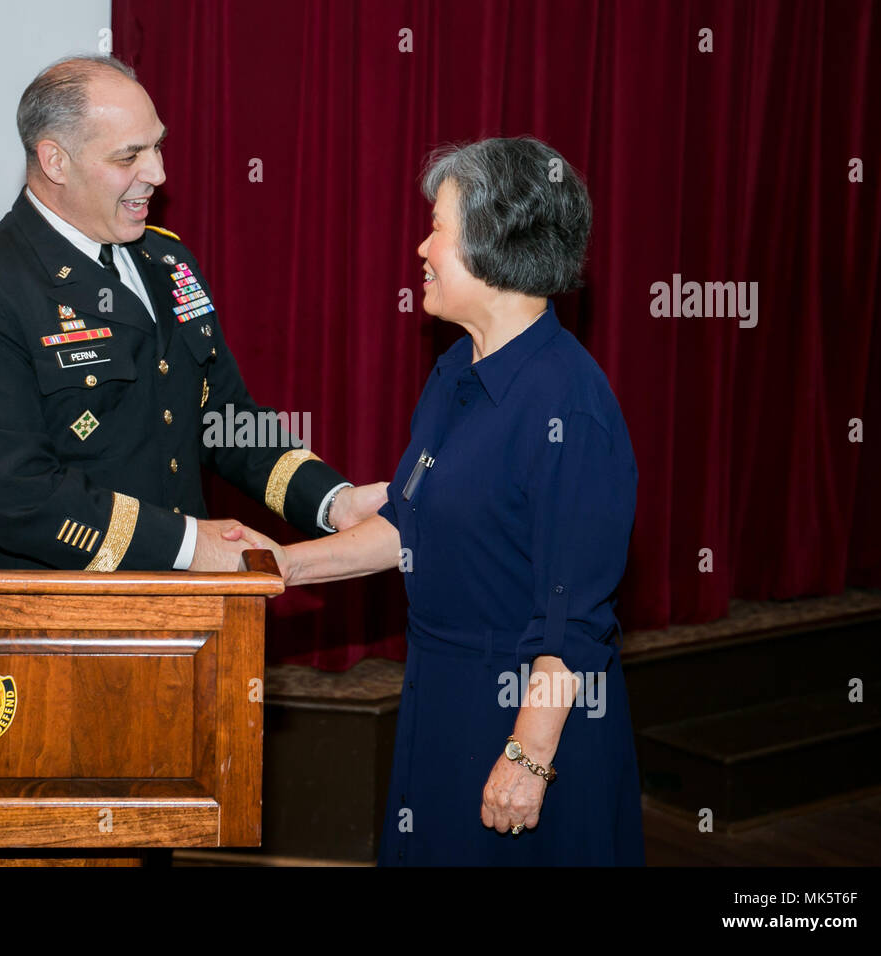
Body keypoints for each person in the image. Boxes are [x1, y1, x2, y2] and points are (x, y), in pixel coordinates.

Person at [245, 138, 644, 865]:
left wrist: (525, 764)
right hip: (443, 695)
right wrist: (276, 565)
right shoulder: (458, 369)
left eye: (439, 226)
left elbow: (573, 628)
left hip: (529, 721)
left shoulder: (569, 406)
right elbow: (409, 523)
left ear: (496, 245)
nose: (422, 246)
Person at [0, 55, 384, 571]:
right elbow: (18, 497)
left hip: (188, 612)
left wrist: (332, 501)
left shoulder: (166, 258)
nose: (157, 173)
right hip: (54, 622)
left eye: (157, 145)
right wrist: (188, 545)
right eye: (128, 156)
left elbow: (225, 419)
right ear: (55, 162)